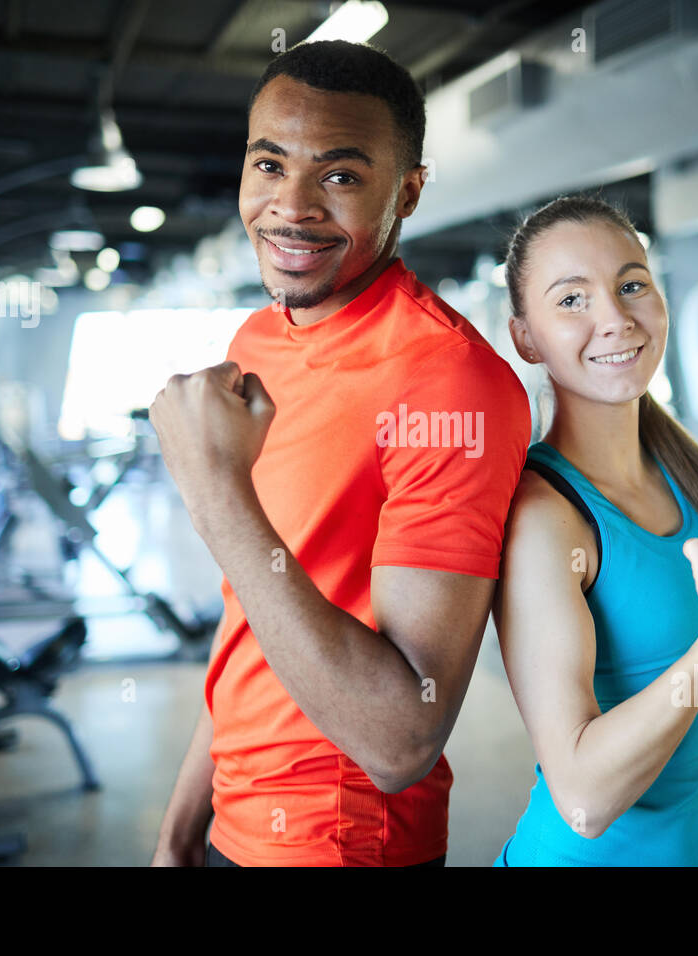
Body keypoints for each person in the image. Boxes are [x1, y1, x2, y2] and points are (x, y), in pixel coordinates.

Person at [147, 40, 531, 867]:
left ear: (410, 191)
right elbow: (253, 615)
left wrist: (215, 493)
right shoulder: (260, 337)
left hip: (340, 843)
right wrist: (180, 833)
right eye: (269, 164)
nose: (292, 206)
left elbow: (401, 742)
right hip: (232, 825)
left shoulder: (449, 383)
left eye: (341, 176)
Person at [491, 195, 698, 866]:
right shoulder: (544, 518)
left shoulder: (689, 479)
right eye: (572, 300)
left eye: (631, 284)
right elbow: (583, 800)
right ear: (526, 337)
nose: (615, 318)